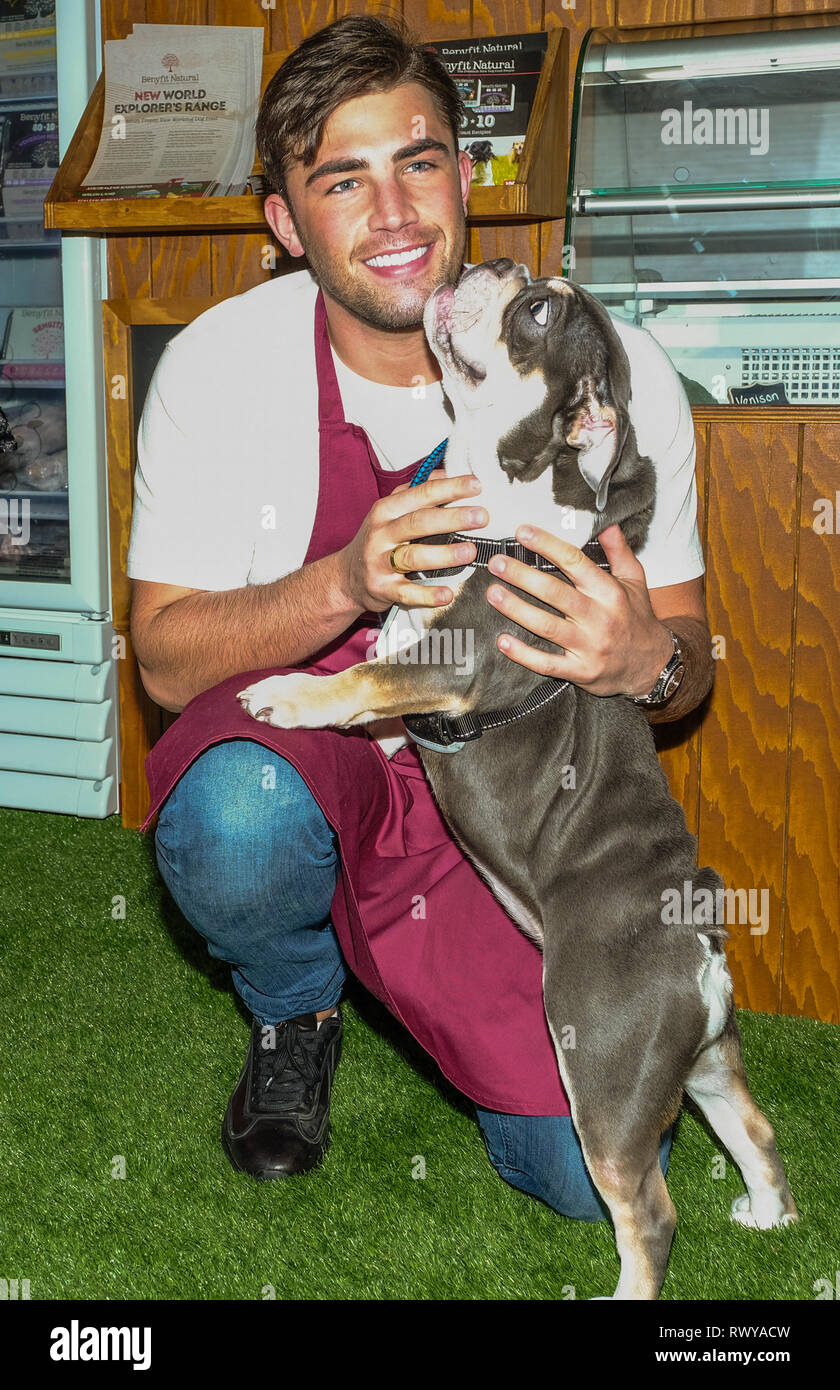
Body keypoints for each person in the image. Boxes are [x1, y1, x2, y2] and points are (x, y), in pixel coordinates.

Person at [128, 16, 713, 1217]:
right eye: (343, 179)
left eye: (420, 161)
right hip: (317, 759)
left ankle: (439, 972)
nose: (394, 213)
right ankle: (298, 998)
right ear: (286, 223)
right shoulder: (217, 366)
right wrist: (342, 582)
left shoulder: (613, 371)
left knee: (591, 1177)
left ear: (465, 176)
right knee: (236, 820)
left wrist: (649, 661)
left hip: (507, 804)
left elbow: (692, 669)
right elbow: (167, 662)